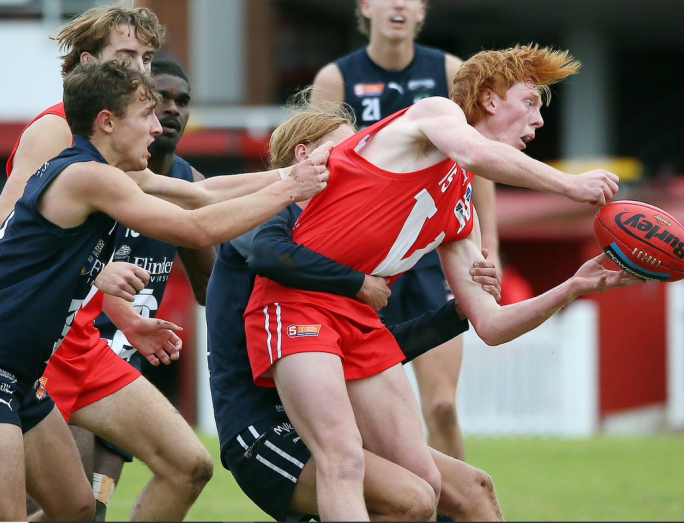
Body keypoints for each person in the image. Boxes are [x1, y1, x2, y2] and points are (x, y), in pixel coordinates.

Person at [0, 61, 330, 522]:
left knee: (76, 510)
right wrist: (291, 191)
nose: (159, 126)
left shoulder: (107, 174)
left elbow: (204, 194)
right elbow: (197, 228)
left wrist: (287, 177)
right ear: (107, 122)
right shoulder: (88, 177)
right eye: (147, 114)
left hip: (19, 374)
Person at [247, 44, 639, 521]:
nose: (538, 120)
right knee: (344, 459)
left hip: (359, 318)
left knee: (424, 487)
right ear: (491, 100)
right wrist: (570, 184)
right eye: (530, 103)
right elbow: (475, 150)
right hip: (298, 304)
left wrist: (573, 286)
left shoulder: (461, 207)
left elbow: (491, 326)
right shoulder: (436, 113)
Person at [207, 101, 504, 521]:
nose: (360, 168)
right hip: (263, 429)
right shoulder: (267, 211)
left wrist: (461, 313)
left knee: (475, 489)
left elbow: (370, 352)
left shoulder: (338, 243)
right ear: (304, 155)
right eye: (349, 153)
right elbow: (268, 254)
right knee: (411, 500)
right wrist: (358, 282)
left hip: (329, 419)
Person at [311, 0, 499, 460]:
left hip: (432, 254)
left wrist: (490, 249)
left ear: (423, 12)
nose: (400, 4)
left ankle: (458, 508)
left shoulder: (451, 72)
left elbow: (477, 167)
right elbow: (308, 163)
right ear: (365, 6)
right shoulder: (334, 78)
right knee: (363, 411)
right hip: (366, 259)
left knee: (441, 406)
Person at [36, 59, 216, 521]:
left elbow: (208, 282)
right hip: (67, 355)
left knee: (93, 507)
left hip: (121, 366)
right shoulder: (91, 172)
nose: (170, 112)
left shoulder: (185, 181)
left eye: (182, 102)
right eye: (158, 102)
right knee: (53, 508)